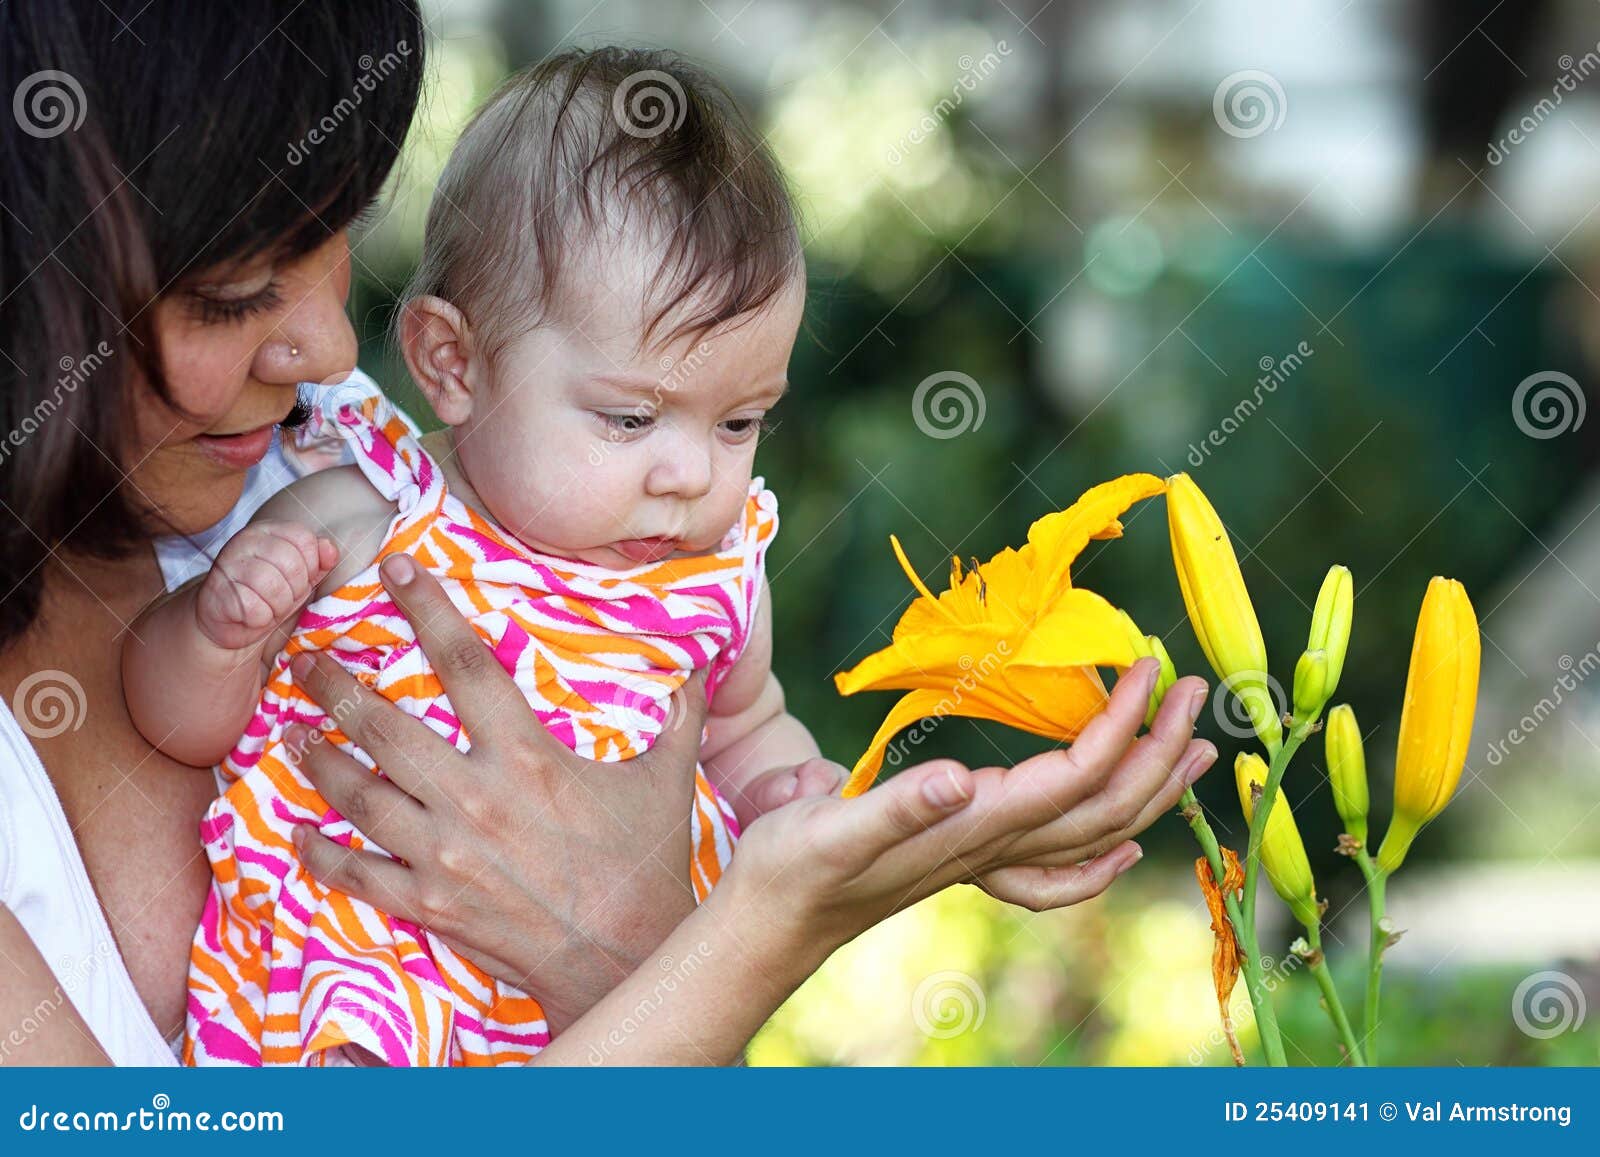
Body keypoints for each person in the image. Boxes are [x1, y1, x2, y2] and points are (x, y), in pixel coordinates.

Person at [0, 2, 1218, 1067]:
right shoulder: (342, 515)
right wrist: (747, 936)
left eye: (336, 249)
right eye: (233, 290)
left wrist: (751, 870)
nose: (328, 348)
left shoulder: (327, 438)